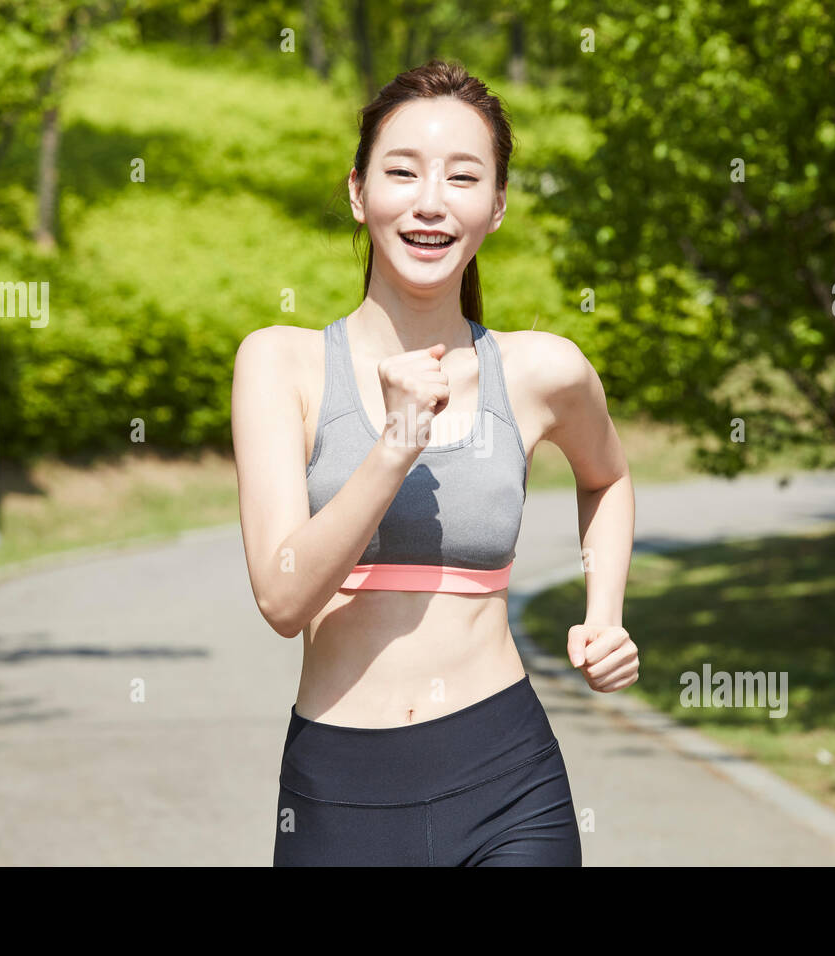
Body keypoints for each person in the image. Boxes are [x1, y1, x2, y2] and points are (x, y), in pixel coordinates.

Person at [231, 59, 636, 866]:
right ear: (358, 192)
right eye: (402, 171)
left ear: (496, 207)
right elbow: (282, 597)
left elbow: (608, 477)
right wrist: (394, 446)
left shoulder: (542, 370)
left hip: (508, 782)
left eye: (462, 177)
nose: (430, 201)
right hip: (339, 792)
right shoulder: (281, 366)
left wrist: (605, 612)